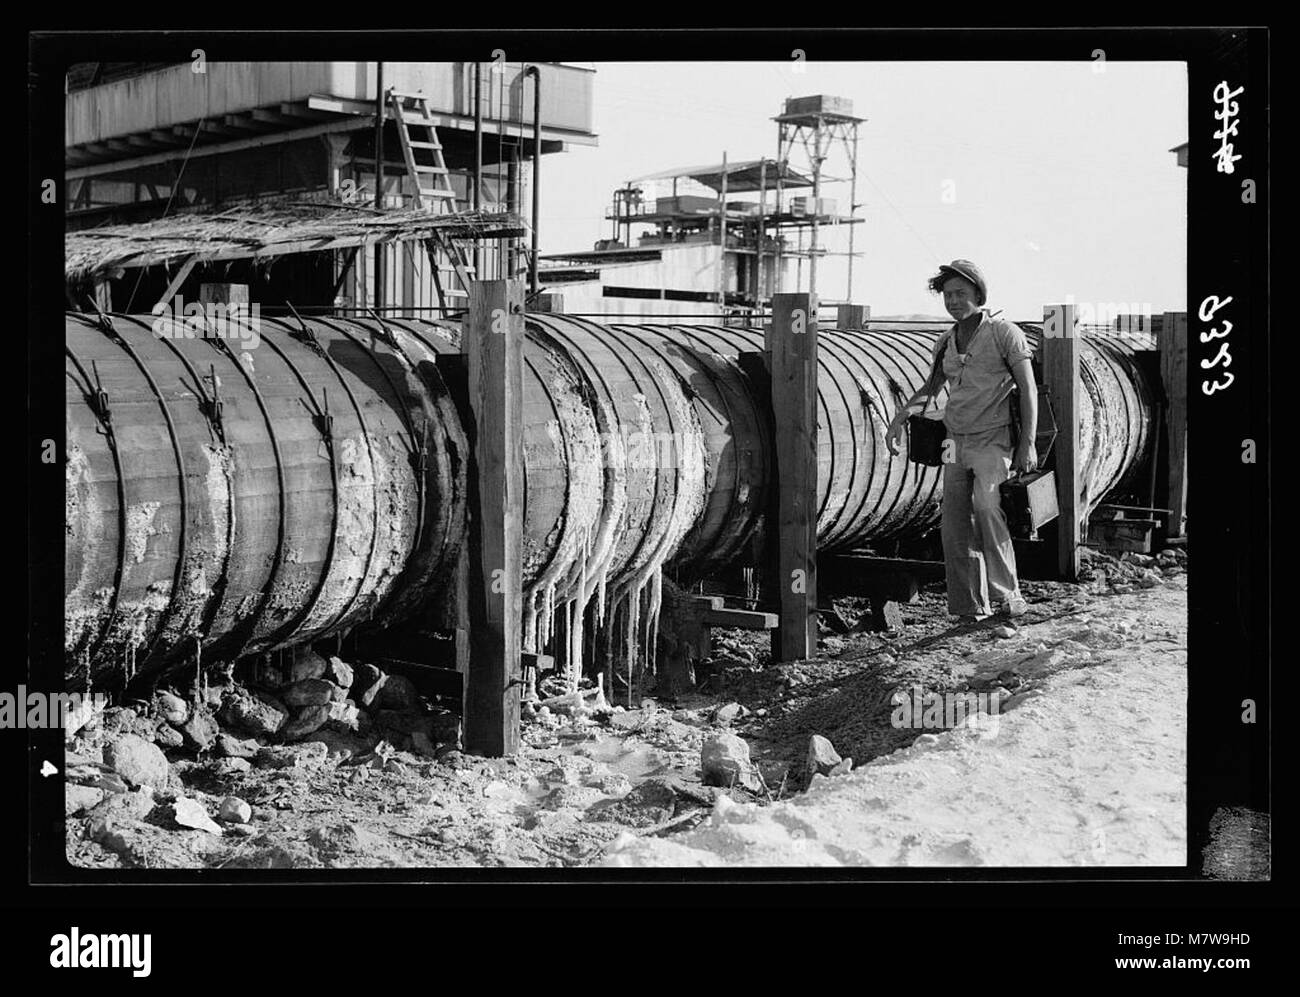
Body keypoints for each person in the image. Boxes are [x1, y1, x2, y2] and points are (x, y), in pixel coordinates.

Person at [886, 259, 1037, 621]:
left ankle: (1008, 595)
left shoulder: (1005, 333)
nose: (953, 301)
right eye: (948, 295)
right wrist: (900, 417)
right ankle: (970, 607)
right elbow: (932, 388)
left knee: (987, 508)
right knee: (954, 524)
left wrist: (1027, 443)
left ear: (978, 295)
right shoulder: (945, 341)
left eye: (961, 294)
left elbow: (1028, 388)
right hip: (955, 442)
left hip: (993, 441)